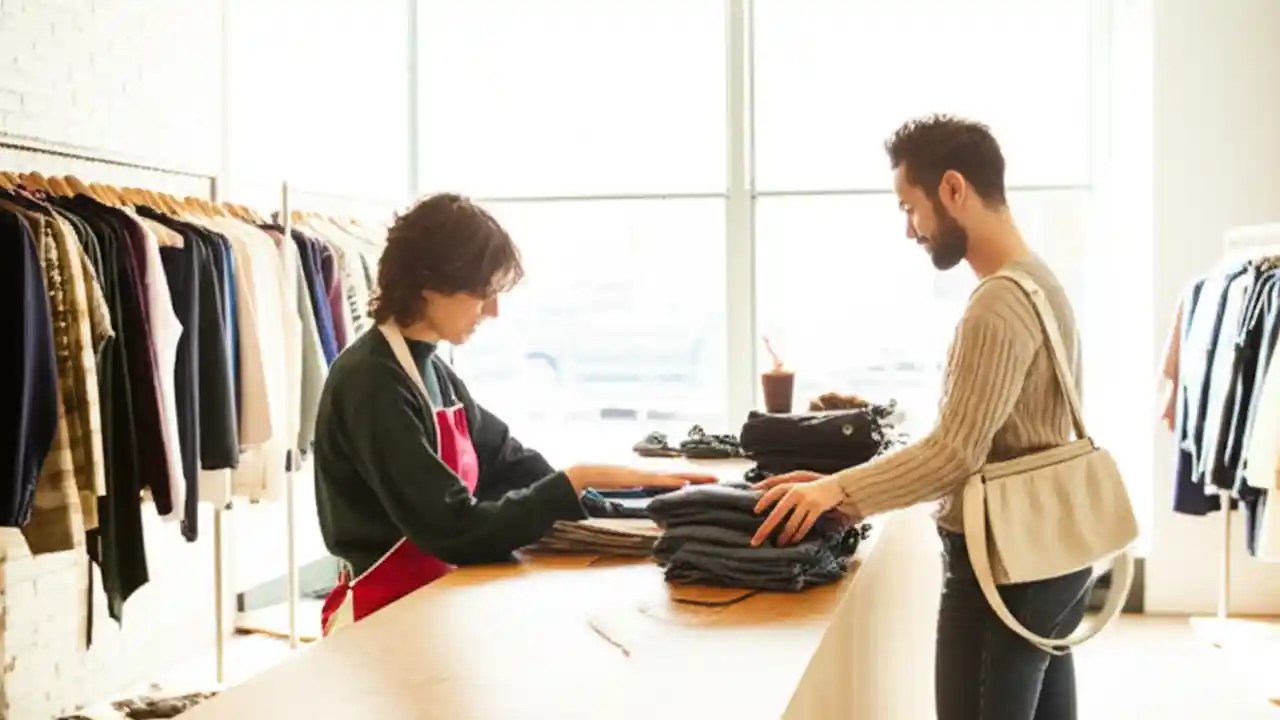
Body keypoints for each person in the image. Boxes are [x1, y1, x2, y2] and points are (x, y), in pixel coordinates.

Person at [751, 115, 1093, 719]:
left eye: (911, 207)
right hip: (1054, 555)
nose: (910, 230)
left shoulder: (997, 304)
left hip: (1001, 570)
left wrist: (837, 490)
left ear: (954, 190)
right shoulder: (1042, 283)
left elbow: (954, 453)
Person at [314, 193, 715, 634]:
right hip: (381, 619)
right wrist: (574, 481)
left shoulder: (434, 372)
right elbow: (454, 530)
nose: (493, 310)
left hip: (434, 605)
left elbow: (508, 462)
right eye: (482, 293)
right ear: (430, 283)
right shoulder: (372, 382)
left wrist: (620, 507)